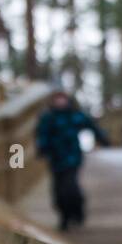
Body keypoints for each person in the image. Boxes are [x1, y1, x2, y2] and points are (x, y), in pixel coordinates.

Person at [35, 86, 108, 232]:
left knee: (70, 187)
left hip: (73, 157)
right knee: (59, 190)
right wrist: (42, 149)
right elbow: (41, 135)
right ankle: (64, 217)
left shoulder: (74, 115)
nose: (60, 102)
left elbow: (92, 125)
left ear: (68, 100)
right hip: (55, 158)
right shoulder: (48, 118)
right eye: (57, 99)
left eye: (63, 99)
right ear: (53, 101)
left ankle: (77, 211)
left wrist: (102, 138)